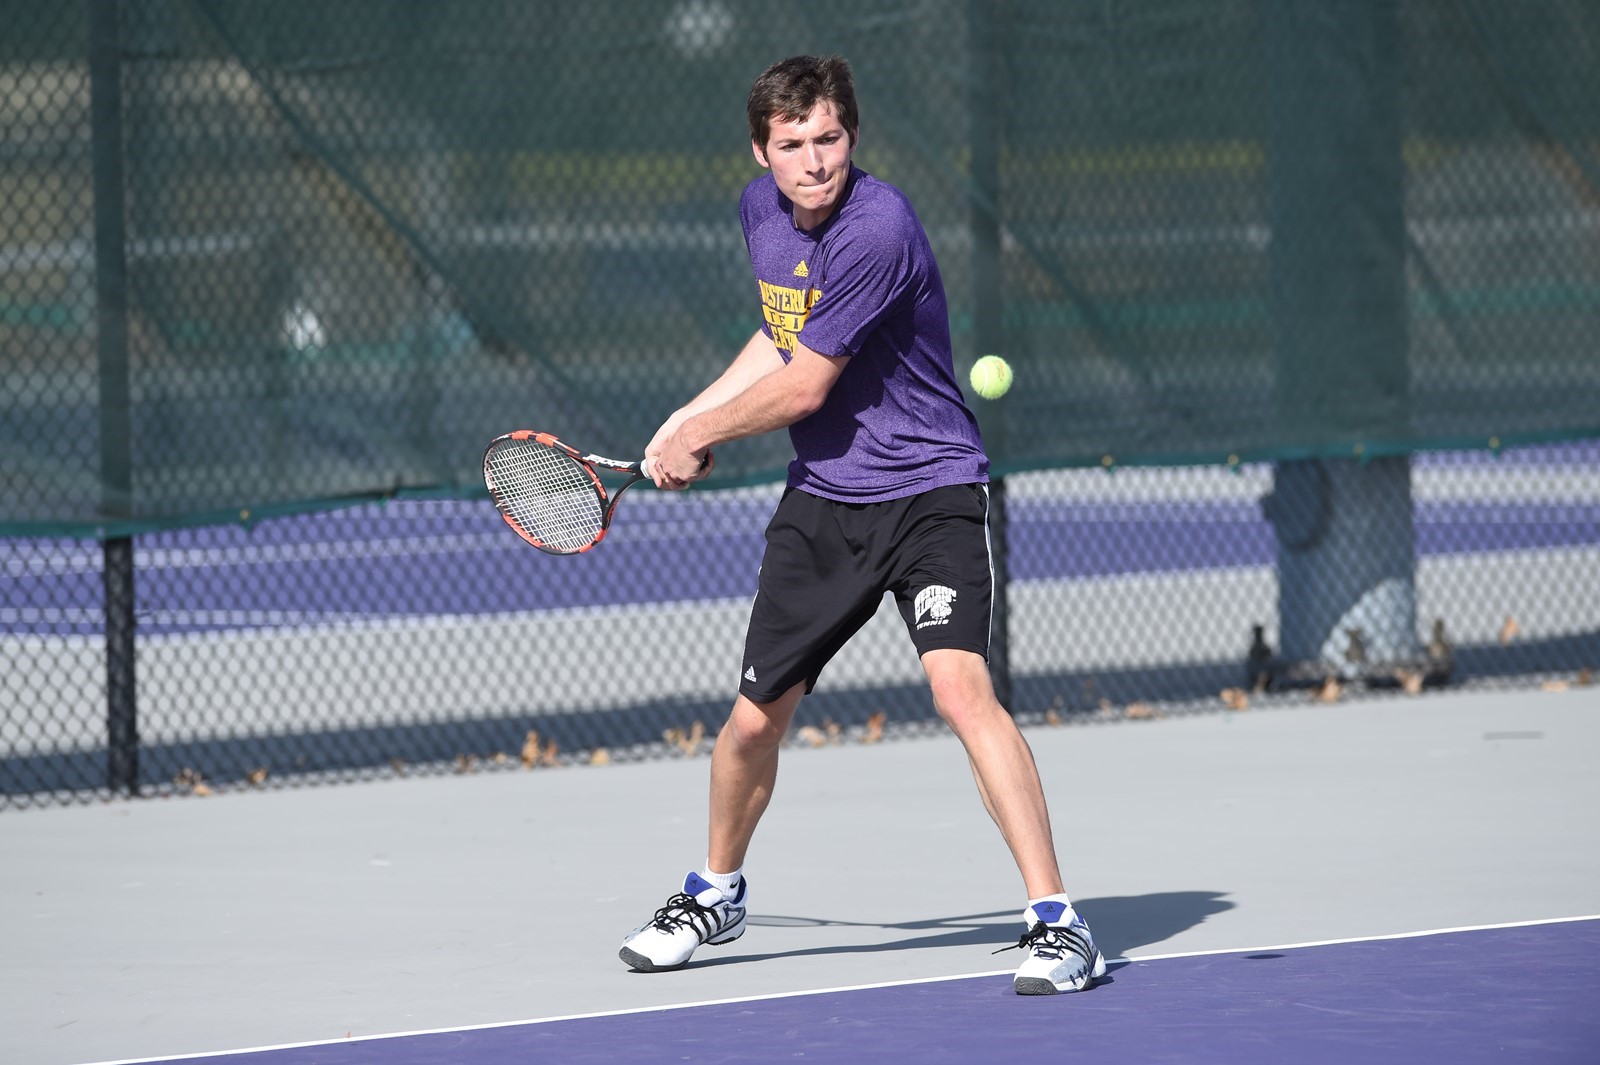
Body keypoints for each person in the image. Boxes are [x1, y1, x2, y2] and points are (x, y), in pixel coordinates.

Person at [620, 54, 1104, 996]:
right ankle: (716, 891)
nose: (814, 161)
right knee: (753, 722)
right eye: (792, 144)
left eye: (830, 139)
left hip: (932, 492)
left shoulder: (879, 226)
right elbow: (780, 333)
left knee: (963, 692)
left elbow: (806, 382)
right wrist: (688, 419)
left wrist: (708, 431)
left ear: (853, 136)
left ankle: (1059, 920)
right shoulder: (760, 214)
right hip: (827, 503)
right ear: (761, 149)